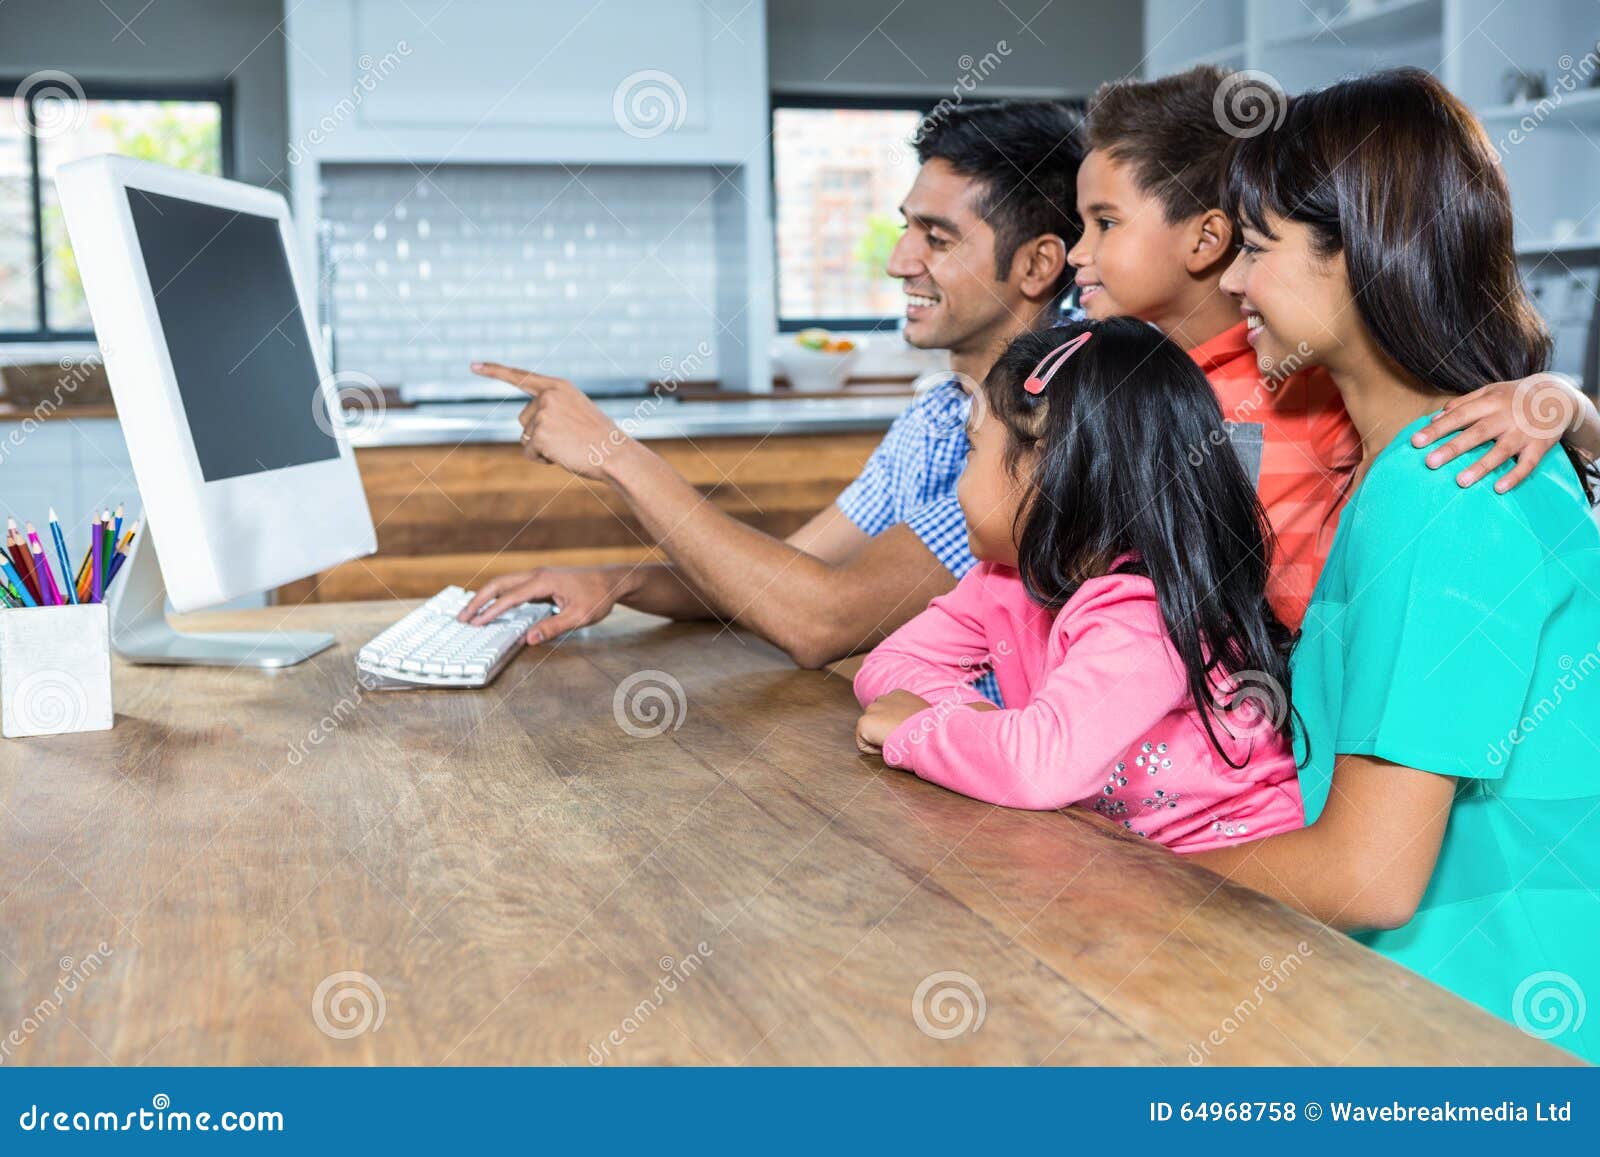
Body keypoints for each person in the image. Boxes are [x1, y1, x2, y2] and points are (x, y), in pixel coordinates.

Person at [1193, 67, 1600, 1063]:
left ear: (1359, 253)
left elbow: (1368, 871)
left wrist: (1143, 874)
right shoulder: (1409, 466)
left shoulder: (1445, 489)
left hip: (1481, 1032)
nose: (1232, 282)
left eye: (1255, 249)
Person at [456, 100, 1084, 669]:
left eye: (937, 238)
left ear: (1036, 264)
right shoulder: (941, 414)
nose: (899, 261)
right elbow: (793, 570)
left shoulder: (1053, 430)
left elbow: (820, 617)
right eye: (907, 228)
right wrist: (621, 584)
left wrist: (615, 453)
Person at [1069, 66, 1600, 626]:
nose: (1079, 252)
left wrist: (1562, 403)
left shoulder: (1308, 378)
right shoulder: (1144, 379)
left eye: (1106, 222)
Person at [853, 319, 1303, 851]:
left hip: (1233, 883)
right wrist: (986, 730)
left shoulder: (1145, 614)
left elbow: (1042, 768)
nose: (961, 480)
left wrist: (929, 731)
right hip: (1111, 856)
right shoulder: (1003, 580)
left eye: (973, 451)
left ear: (1047, 465)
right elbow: (886, 665)